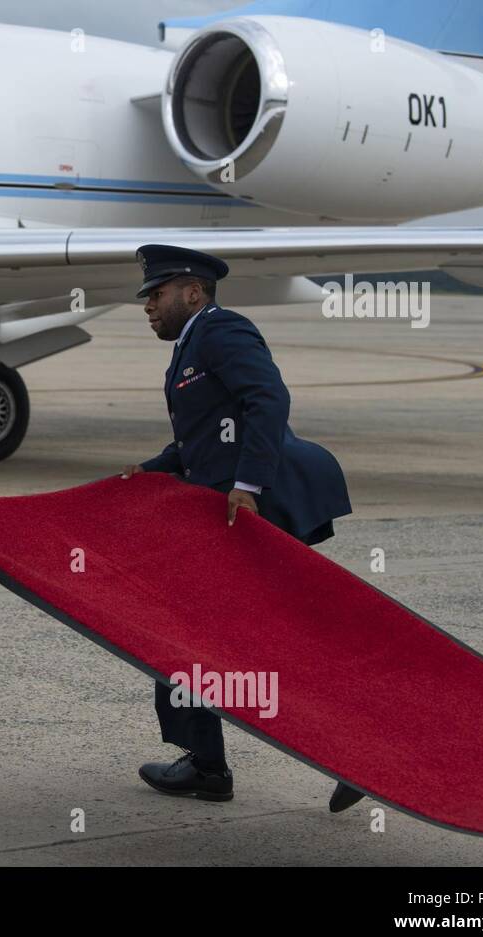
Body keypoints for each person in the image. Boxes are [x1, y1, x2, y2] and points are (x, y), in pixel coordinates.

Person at [121, 244, 360, 811]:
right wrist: (153, 469)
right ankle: (211, 764)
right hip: (242, 506)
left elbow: (267, 400)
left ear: (193, 292)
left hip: (265, 503)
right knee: (206, 636)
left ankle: (349, 752)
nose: (148, 306)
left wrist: (247, 486)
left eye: (156, 294)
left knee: (199, 632)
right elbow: (207, 434)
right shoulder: (192, 344)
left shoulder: (222, 330)